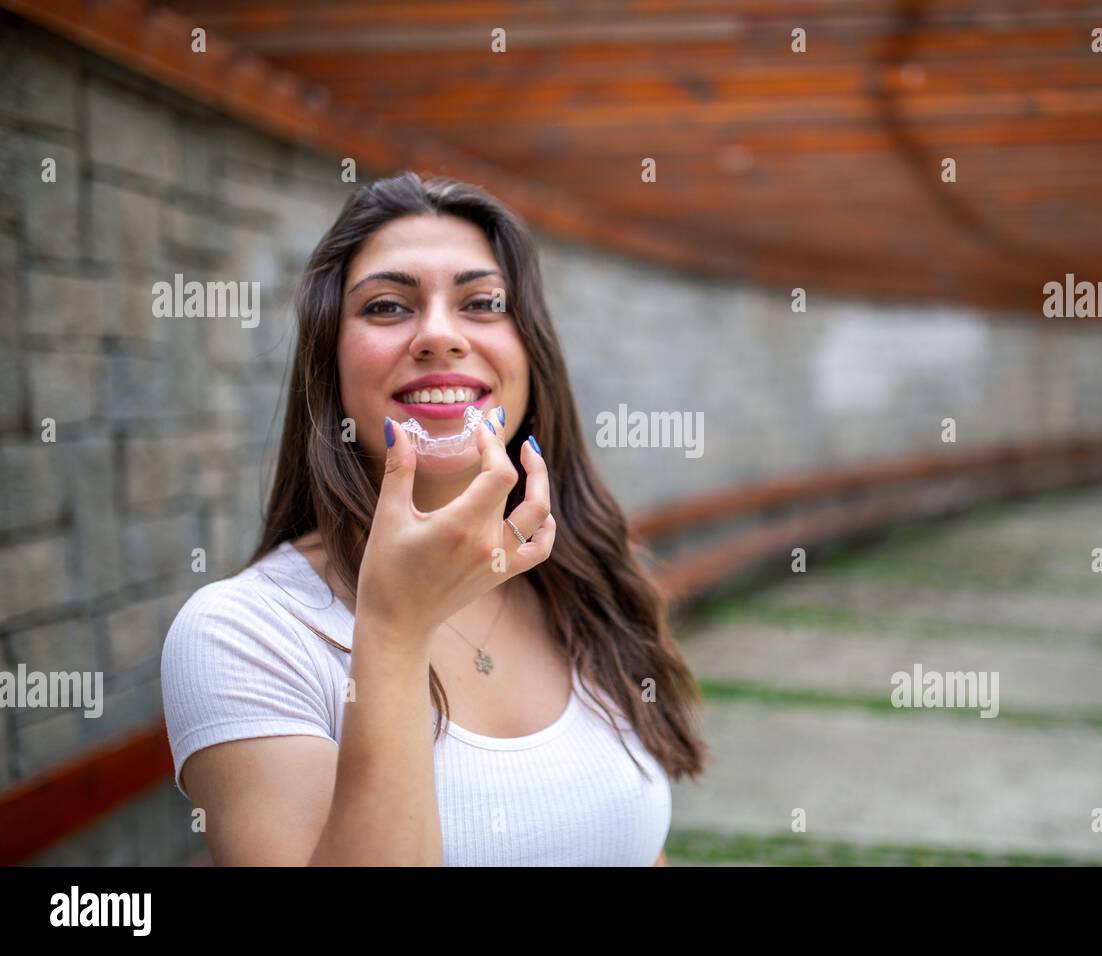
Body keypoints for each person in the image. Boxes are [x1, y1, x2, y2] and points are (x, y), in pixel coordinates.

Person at [161, 172, 709, 866]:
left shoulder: (579, 580)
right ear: (329, 365)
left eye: (482, 303)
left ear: (531, 352)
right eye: (388, 307)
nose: (440, 335)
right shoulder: (243, 634)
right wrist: (392, 628)